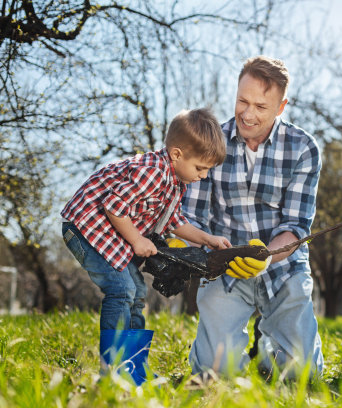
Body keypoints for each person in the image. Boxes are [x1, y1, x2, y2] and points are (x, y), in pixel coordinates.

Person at [60, 108, 259, 385]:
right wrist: (137, 240)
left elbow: (175, 221)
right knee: (122, 289)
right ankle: (114, 370)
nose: (203, 175)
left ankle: (133, 367)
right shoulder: (152, 171)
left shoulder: (176, 182)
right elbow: (114, 206)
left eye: (208, 170)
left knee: (136, 291)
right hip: (86, 228)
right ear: (177, 154)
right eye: (200, 168)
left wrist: (208, 239)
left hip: (109, 232)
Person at [183, 55, 324, 378]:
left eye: (261, 107)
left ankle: (268, 350)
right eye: (242, 101)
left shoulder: (303, 148)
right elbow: (194, 215)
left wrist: (266, 257)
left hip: (283, 268)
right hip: (225, 270)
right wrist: (203, 251)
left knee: (302, 377)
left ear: (281, 106)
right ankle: (223, 347)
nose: (248, 114)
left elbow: (296, 226)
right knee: (214, 374)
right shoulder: (211, 142)